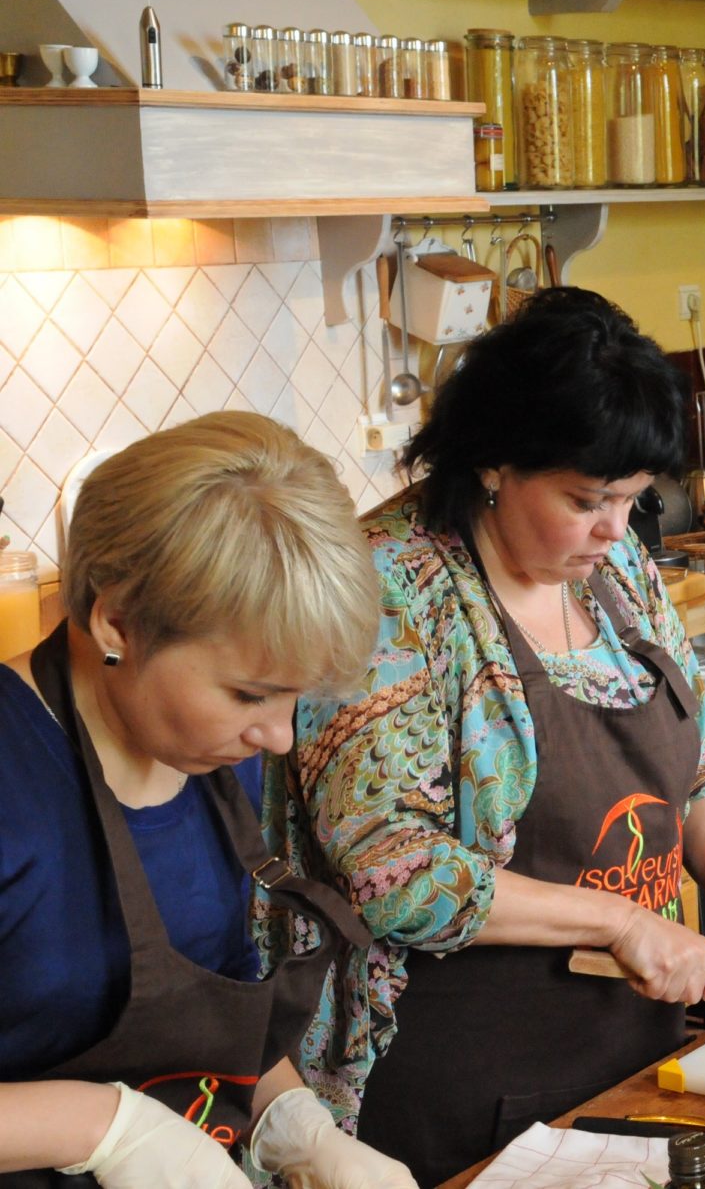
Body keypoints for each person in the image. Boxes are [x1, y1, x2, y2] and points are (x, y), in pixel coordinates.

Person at [268, 287, 705, 1184]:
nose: (615, 529)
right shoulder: (389, 591)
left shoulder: (613, 570)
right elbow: (395, 875)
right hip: (462, 1082)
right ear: (495, 463)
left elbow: (698, 769)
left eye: (632, 499)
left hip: (632, 1055)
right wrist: (619, 920)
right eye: (587, 499)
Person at [0, 413, 412, 1188]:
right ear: (118, 623)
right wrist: (103, 1128)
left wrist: (292, 1122)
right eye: (250, 694)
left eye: (293, 697)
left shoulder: (212, 758)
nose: (279, 737)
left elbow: (206, 1015)